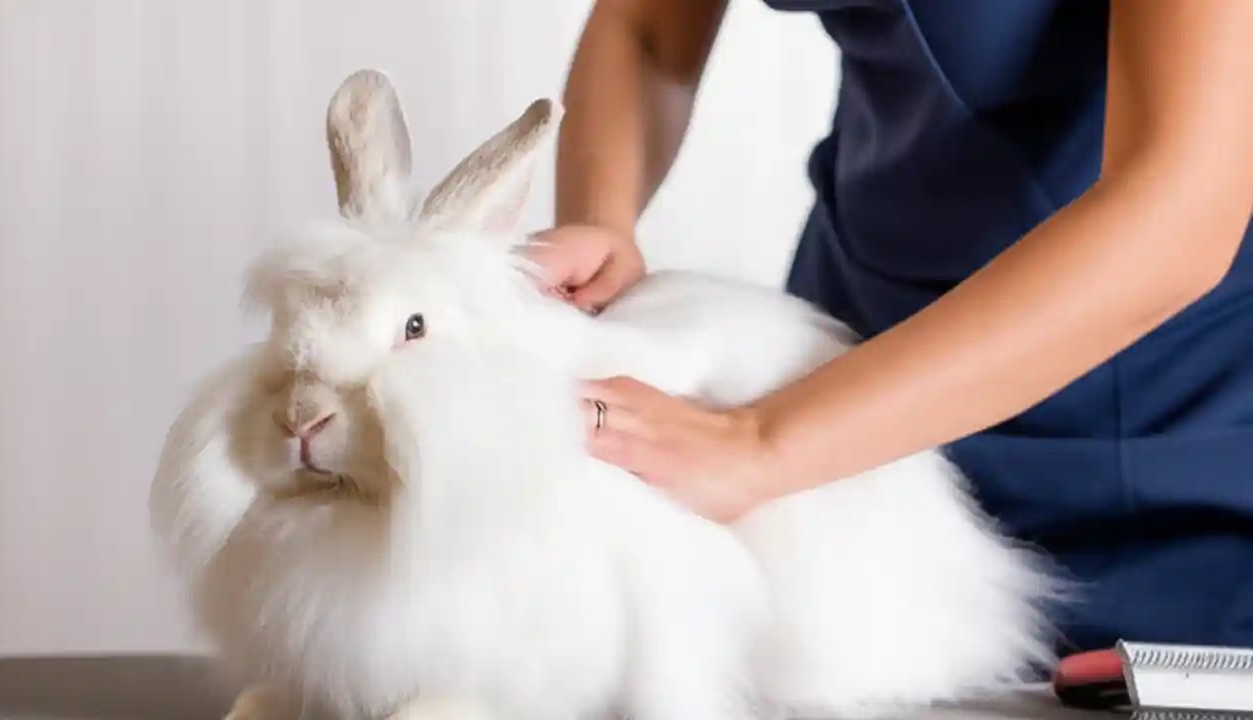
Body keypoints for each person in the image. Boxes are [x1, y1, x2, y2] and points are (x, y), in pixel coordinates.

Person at [526, 0, 1253, 654]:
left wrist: (761, 444)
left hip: (1159, 416)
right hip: (852, 369)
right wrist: (602, 219)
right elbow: (648, 28)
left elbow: (1180, 212)